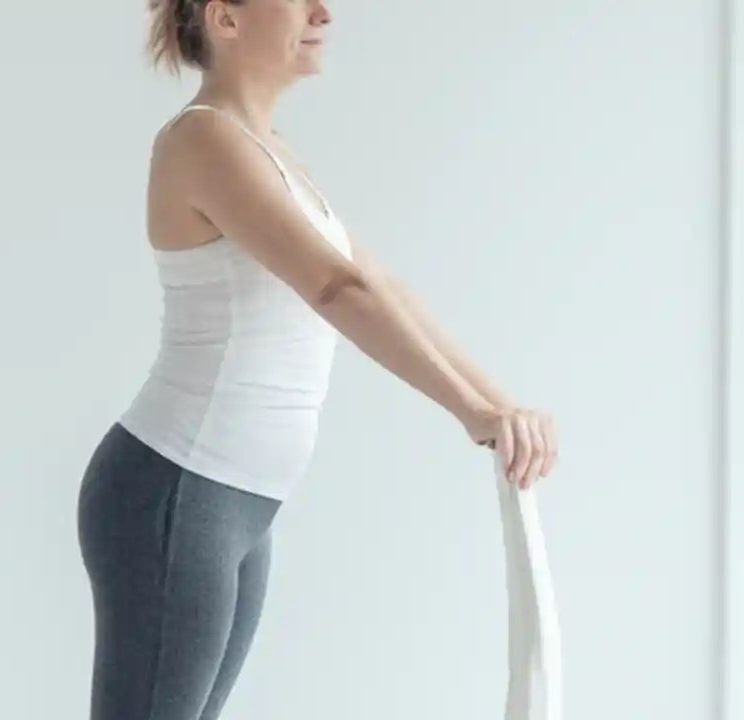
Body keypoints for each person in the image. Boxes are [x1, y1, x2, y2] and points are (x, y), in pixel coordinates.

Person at [75, 1, 560, 718]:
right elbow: (339, 288)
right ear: (226, 19)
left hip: (236, 502)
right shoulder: (203, 140)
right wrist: (472, 411)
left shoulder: (268, 148)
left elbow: (384, 286)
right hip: (178, 488)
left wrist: (496, 406)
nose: (325, 11)